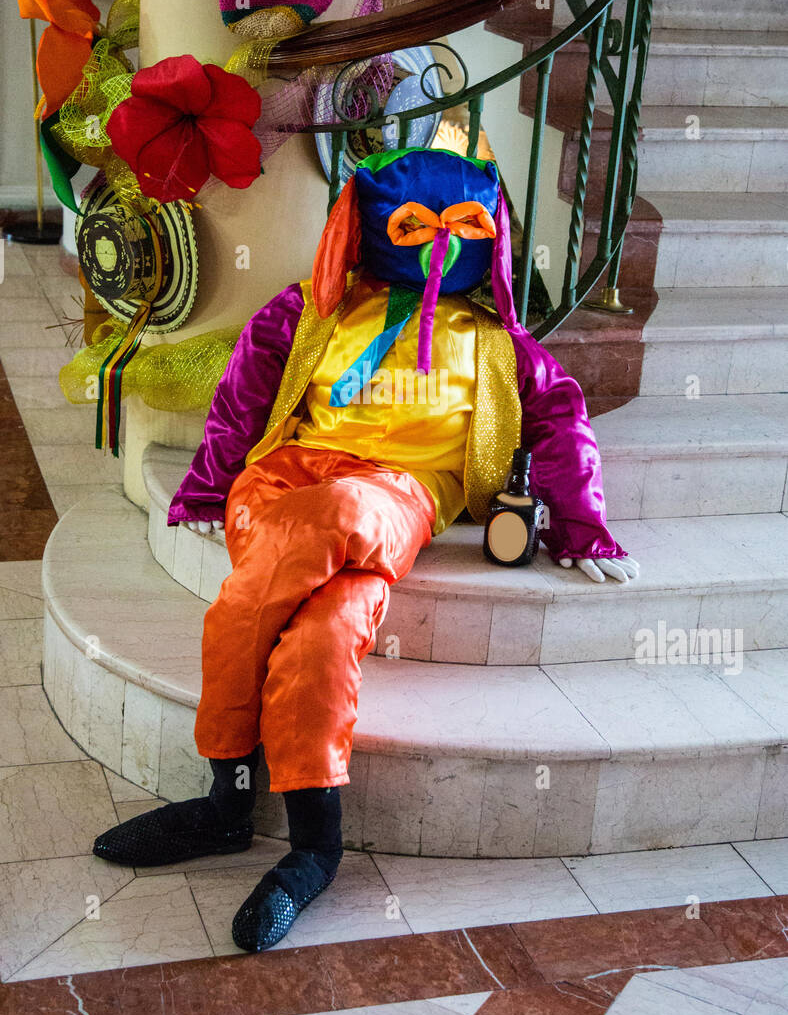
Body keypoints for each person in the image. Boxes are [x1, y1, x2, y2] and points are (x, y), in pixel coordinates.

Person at [93, 146, 638, 951]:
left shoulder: (494, 342)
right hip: (280, 483)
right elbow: (247, 387)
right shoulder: (311, 311)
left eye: (461, 230)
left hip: (397, 496)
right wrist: (211, 484)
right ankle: (291, 837)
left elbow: (561, 415)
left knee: (328, 525)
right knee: (321, 637)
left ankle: (233, 801)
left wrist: (580, 523)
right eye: (416, 229)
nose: (439, 247)